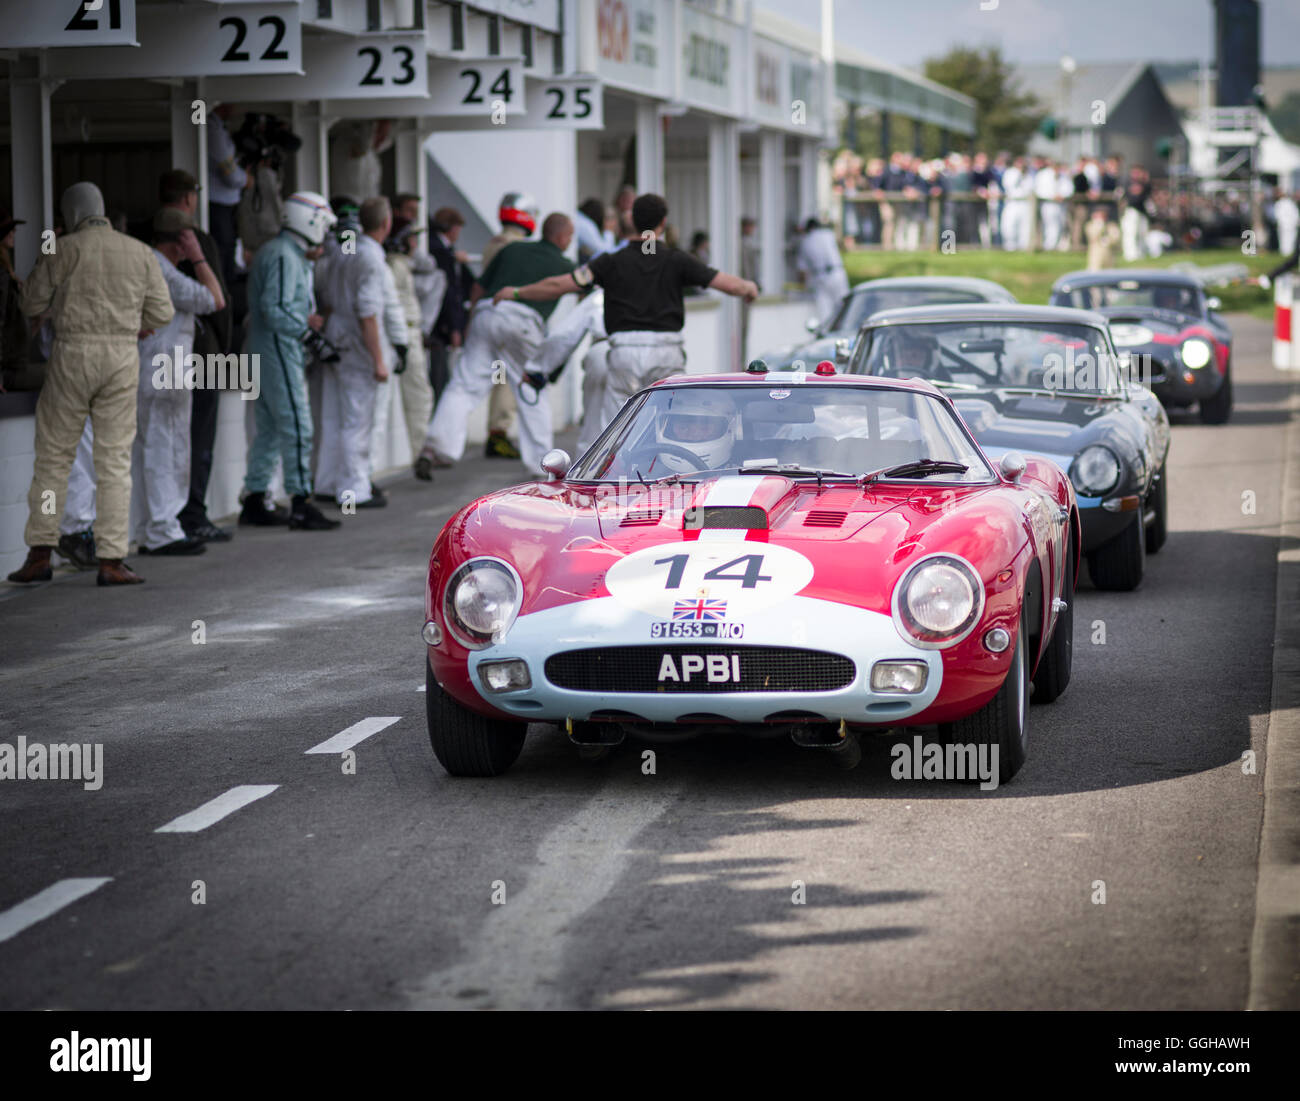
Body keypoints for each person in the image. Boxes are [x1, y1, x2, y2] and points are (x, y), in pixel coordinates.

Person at [9, 182, 173, 586]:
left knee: (53, 460)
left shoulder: (61, 249)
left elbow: (29, 302)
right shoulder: (138, 251)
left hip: (71, 356)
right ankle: (112, 560)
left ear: (71, 214)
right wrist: (133, 324)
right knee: (114, 462)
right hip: (120, 357)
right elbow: (163, 312)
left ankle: (40, 554)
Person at [493, 193, 759, 432]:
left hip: (624, 351)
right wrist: (749, 288)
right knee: (666, 422)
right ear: (662, 223)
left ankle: (618, 479)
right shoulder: (678, 260)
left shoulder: (609, 262)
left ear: (632, 221)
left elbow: (559, 285)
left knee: (619, 428)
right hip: (667, 350)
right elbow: (728, 284)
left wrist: (516, 292)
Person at [422, 213, 576, 475]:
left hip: (486, 313)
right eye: (570, 237)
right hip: (523, 322)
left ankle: (436, 447)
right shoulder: (564, 264)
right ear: (562, 237)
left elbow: (478, 289)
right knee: (530, 389)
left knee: (464, 385)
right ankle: (544, 465)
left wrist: (470, 324)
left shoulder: (513, 248)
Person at [238, 190, 340, 531]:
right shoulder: (284, 255)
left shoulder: (281, 252)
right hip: (277, 346)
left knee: (268, 429)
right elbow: (275, 308)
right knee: (298, 423)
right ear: (308, 222)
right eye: (322, 225)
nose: (324, 234)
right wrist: (309, 334)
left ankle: (255, 498)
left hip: (267, 346)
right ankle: (301, 502)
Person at [132, 207, 225, 557]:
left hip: (153, 368)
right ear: (181, 240)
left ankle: (151, 529)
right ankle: (164, 530)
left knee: (152, 448)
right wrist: (199, 258)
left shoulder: (153, 263)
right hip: (164, 370)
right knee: (165, 449)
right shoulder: (163, 268)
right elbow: (214, 299)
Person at [157, 170, 234, 544]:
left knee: (166, 442)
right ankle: (192, 513)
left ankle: (168, 518)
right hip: (201, 353)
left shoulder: (147, 240)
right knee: (198, 439)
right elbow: (219, 305)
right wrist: (225, 349)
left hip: (156, 357)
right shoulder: (197, 241)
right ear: (189, 198)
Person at [314, 196, 405, 509]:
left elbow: (327, 298)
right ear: (386, 223)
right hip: (357, 344)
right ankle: (354, 489)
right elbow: (368, 313)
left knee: (334, 416)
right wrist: (380, 360)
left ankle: (327, 483)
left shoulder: (343, 252)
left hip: (337, 337)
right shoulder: (370, 258)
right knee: (358, 420)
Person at [478, 192, 540, 461]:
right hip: (509, 321)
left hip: (490, 318)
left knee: (496, 377)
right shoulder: (514, 245)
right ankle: (499, 433)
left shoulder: (494, 242)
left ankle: (497, 431)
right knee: (506, 378)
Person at [385, 216, 435, 477]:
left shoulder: (401, 263)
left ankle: (421, 452)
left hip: (410, 331)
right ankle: (420, 454)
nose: (415, 242)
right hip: (403, 333)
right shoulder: (394, 265)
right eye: (411, 237)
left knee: (421, 395)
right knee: (419, 395)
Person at [423, 206, 473, 409]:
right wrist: (454, 327)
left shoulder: (440, 250)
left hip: (434, 323)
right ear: (452, 229)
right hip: (438, 325)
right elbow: (449, 294)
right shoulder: (441, 253)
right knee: (439, 376)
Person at [207, 103, 247, 287]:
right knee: (222, 249)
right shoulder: (210, 127)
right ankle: (223, 288)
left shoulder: (218, 127)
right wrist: (246, 179)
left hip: (225, 202)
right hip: (217, 202)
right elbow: (230, 173)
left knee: (229, 246)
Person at [652, 392, 738, 474]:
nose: (693, 434)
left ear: (729, 429)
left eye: (704, 428)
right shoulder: (646, 475)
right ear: (668, 428)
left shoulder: (742, 476)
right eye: (683, 427)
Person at [796, 216, 848, 326]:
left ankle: (827, 329)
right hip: (837, 272)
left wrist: (802, 286)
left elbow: (802, 270)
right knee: (843, 306)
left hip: (820, 276)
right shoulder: (828, 234)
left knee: (825, 310)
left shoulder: (806, 241)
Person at [1085, 206, 1121, 271]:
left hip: (1109, 257)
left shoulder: (1112, 226)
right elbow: (1093, 236)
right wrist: (1099, 224)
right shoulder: (1090, 225)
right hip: (1096, 257)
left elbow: (1116, 238)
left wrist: (1109, 241)